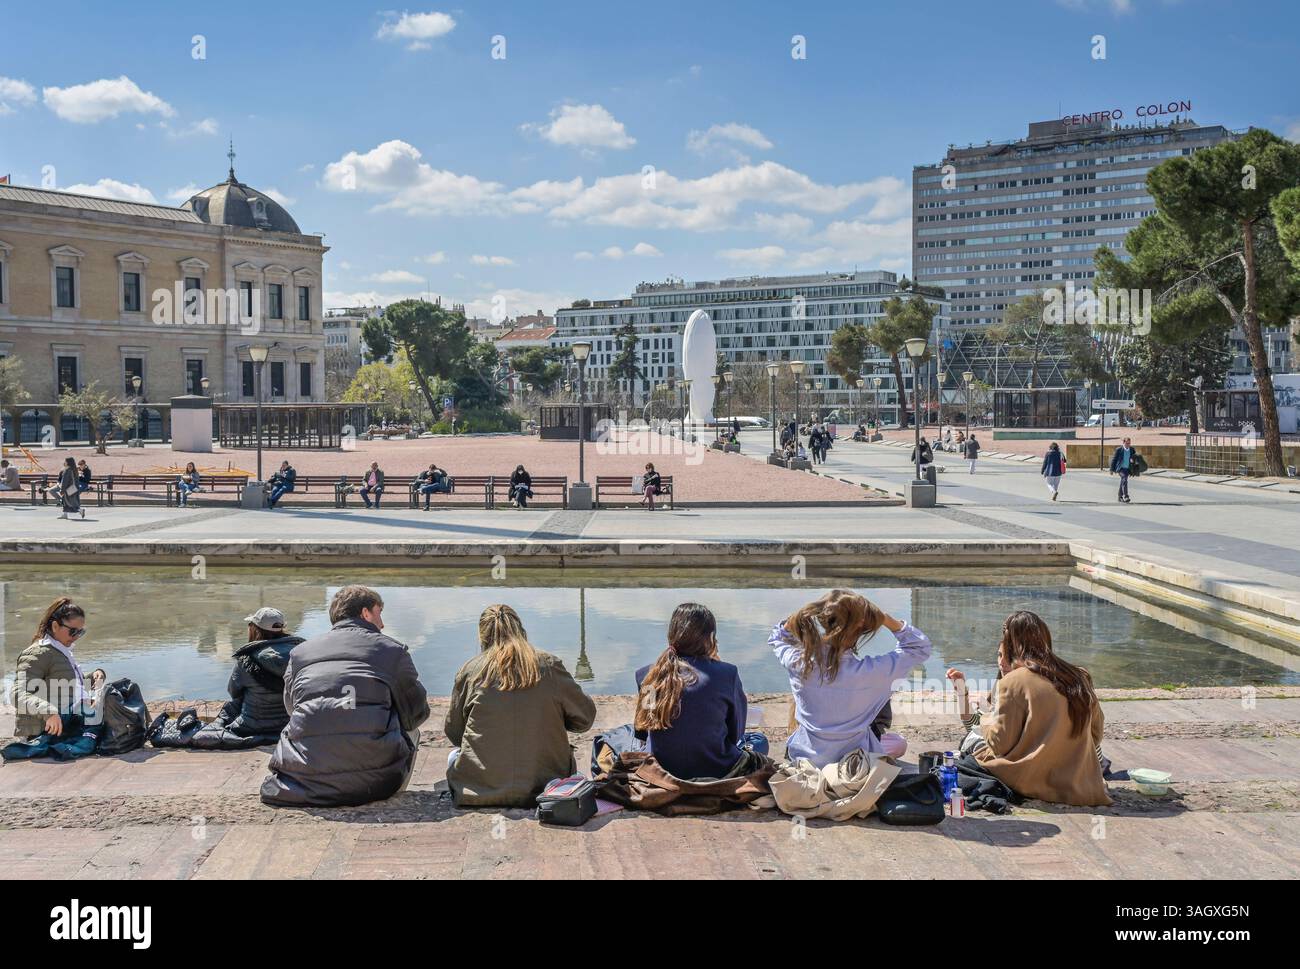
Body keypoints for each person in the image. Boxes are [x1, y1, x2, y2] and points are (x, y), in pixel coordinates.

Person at [261, 585, 429, 807]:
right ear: (366, 613)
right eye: (379, 613)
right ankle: (389, 794)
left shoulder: (300, 653)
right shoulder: (392, 650)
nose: (382, 623)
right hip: (376, 783)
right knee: (412, 731)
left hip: (302, 779)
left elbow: (292, 709)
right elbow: (415, 714)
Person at [945, 611, 1110, 807]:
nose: (1001, 661)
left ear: (1012, 645)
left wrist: (987, 716)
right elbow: (1096, 734)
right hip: (1080, 784)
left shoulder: (1014, 681)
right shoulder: (1079, 675)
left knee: (964, 755)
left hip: (1032, 780)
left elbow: (1000, 744)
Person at [444, 604, 596, 807]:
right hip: (547, 786)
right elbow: (584, 720)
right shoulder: (549, 665)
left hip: (478, 789)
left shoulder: (471, 671)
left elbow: (455, 733)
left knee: (453, 756)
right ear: (521, 630)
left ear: (482, 636)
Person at [770, 590, 930, 766]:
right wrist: (883, 618)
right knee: (898, 742)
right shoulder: (872, 672)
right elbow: (919, 647)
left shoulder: (799, 664)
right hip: (856, 764)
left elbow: (778, 636)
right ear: (861, 626)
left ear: (823, 618)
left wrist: (803, 613)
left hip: (807, 760)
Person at [635, 603, 767, 779]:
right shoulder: (726, 674)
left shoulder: (647, 676)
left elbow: (642, 731)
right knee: (759, 741)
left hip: (663, 770)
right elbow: (736, 734)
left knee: (623, 734)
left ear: (672, 635)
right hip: (717, 769)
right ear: (710, 638)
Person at [9, 597, 105, 740]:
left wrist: (94, 677)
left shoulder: (61, 651)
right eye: (73, 631)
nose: (76, 637)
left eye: (80, 632)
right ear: (55, 626)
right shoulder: (37, 653)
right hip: (42, 731)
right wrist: (49, 712)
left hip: (66, 721)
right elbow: (16, 694)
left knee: (118, 695)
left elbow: (64, 685)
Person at [1110, 437, 1138, 503]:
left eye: (1129, 443)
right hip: (1121, 469)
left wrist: (1133, 461)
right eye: (1127, 443)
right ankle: (1126, 496)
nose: (1128, 444)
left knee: (1123, 481)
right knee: (1124, 479)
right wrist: (1111, 469)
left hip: (1128, 469)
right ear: (1123, 442)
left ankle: (1120, 496)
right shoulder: (1119, 450)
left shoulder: (1132, 449)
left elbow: (1135, 458)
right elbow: (1114, 459)